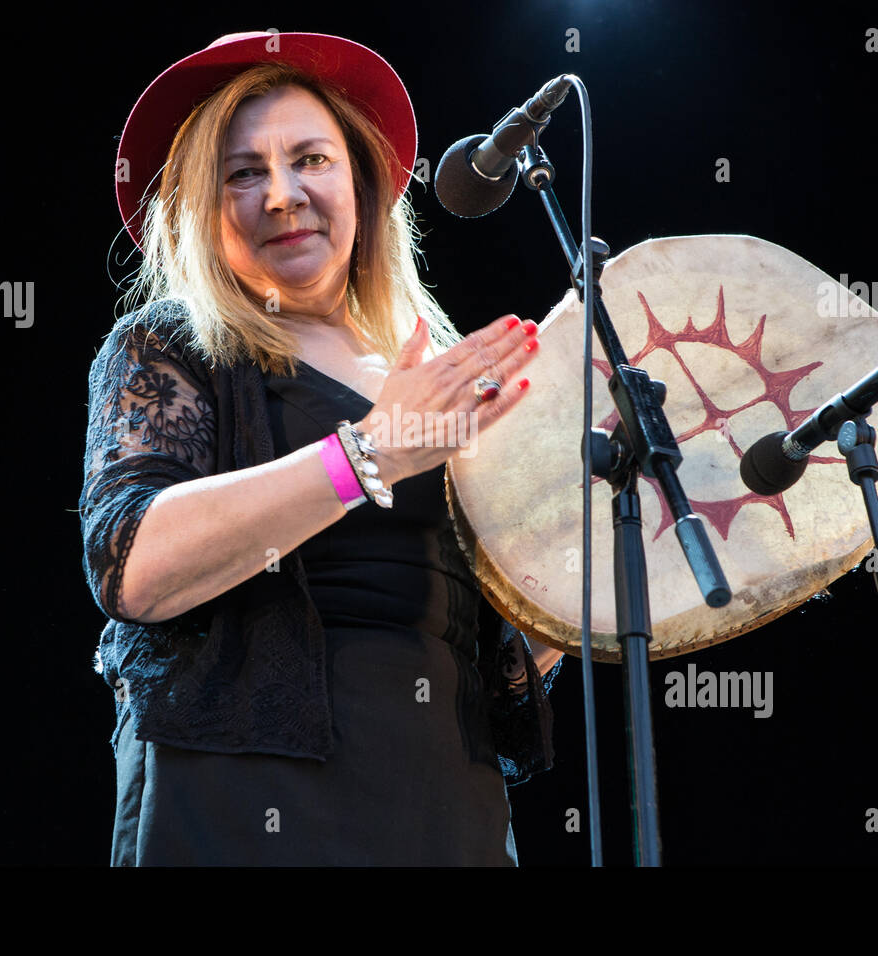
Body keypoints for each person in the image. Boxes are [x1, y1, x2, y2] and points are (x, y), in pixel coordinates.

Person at [80, 31, 564, 866]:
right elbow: (133, 564)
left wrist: (567, 591)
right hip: (245, 801)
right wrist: (367, 452)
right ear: (201, 206)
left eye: (310, 159)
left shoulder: (436, 378)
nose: (281, 194)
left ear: (363, 183)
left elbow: (499, 663)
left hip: (448, 805)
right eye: (244, 172)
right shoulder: (167, 347)